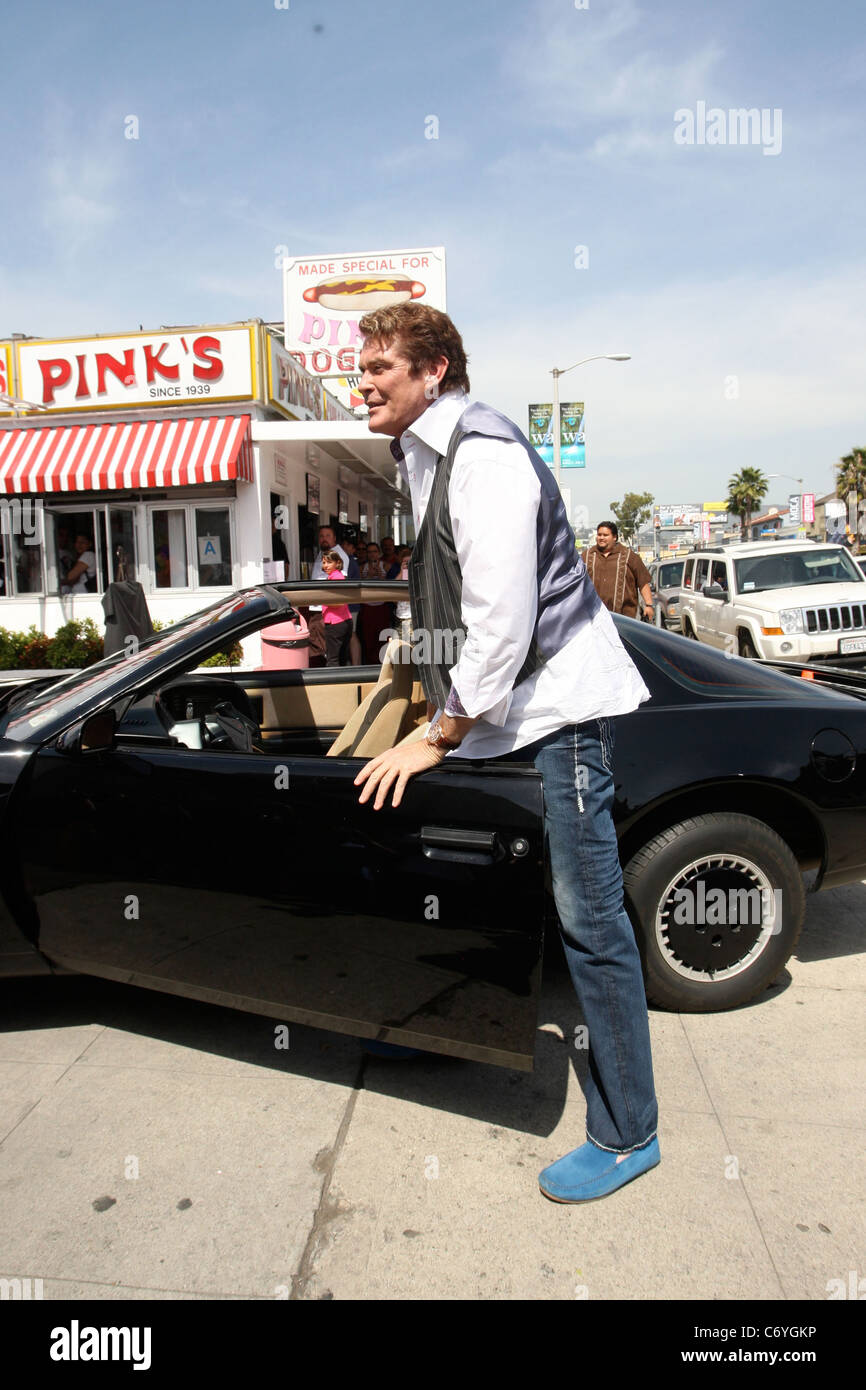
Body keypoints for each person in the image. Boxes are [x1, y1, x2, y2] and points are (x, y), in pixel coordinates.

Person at [352, 301, 659, 1203]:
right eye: (361, 363)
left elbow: (500, 625)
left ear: (434, 370)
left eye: (379, 365)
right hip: (493, 713)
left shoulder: (482, 458)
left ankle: (627, 1130)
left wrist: (435, 734)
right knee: (471, 885)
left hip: (551, 717)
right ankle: (447, 1031)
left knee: (591, 922)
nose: (362, 379)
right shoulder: (425, 456)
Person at [307, 525, 357, 666]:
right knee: (330, 655)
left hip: (332, 615)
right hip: (321, 611)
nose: (324, 539)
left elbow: (340, 589)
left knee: (332, 658)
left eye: (328, 535)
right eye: (322, 536)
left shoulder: (338, 555)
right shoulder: (323, 553)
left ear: (335, 538)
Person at [585, 521, 654, 622]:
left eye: (605, 535)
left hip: (624, 618)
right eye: (599, 535)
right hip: (593, 617)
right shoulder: (586, 556)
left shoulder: (629, 557)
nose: (601, 538)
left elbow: (643, 582)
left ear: (614, 537)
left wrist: (648, 605)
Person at [359, 542, 391, 663]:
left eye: (375, 551)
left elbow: (391, 584)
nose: (372, 554)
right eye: (370, 552)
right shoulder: (362, 568)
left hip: (382, 605)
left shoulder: (386, 566)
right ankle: (370, 662)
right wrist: (368, 576)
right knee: (369, 636)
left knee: (383, 635)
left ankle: (384, 660)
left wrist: (381, 577)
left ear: (379, 553)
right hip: (368, 605)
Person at [321, 551, 353, 666]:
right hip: (343, 620)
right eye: (324, 562)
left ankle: (333, 683)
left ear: (337, 563)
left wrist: (321, 599)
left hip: (335, 622)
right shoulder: (336, 576)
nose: (325, 565)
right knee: (343, 657)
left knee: (333, 659)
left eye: (329, 562)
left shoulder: (336, 578)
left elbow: (340, 601)